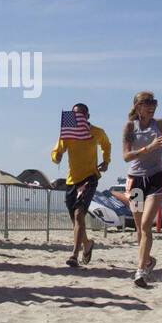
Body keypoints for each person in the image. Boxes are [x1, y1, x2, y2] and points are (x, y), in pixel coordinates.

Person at [50, 103, 112, 269]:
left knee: (79, 216)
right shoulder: (68, 132)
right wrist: (56, 157)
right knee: (76, 220)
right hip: (71, 181)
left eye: (81, 114)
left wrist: (106, 161)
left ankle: (74, 255)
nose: (77, 116)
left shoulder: (96, 132)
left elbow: (107, 144)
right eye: (74, 114)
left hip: (89, 177)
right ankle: (87, 243)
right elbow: (57, 151)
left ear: (87, 116)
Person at [123, 90, 162, 289]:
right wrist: (148, 148)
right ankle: (149, 260)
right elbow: (126, 156)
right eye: (146, 102)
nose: (151, 106)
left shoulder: (159, 124)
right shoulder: (129, 127)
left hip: (156, 178)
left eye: (154, 102)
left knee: (145, 226)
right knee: (139, 230)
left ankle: (140, 271)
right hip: (135, 180)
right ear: (137, 106)